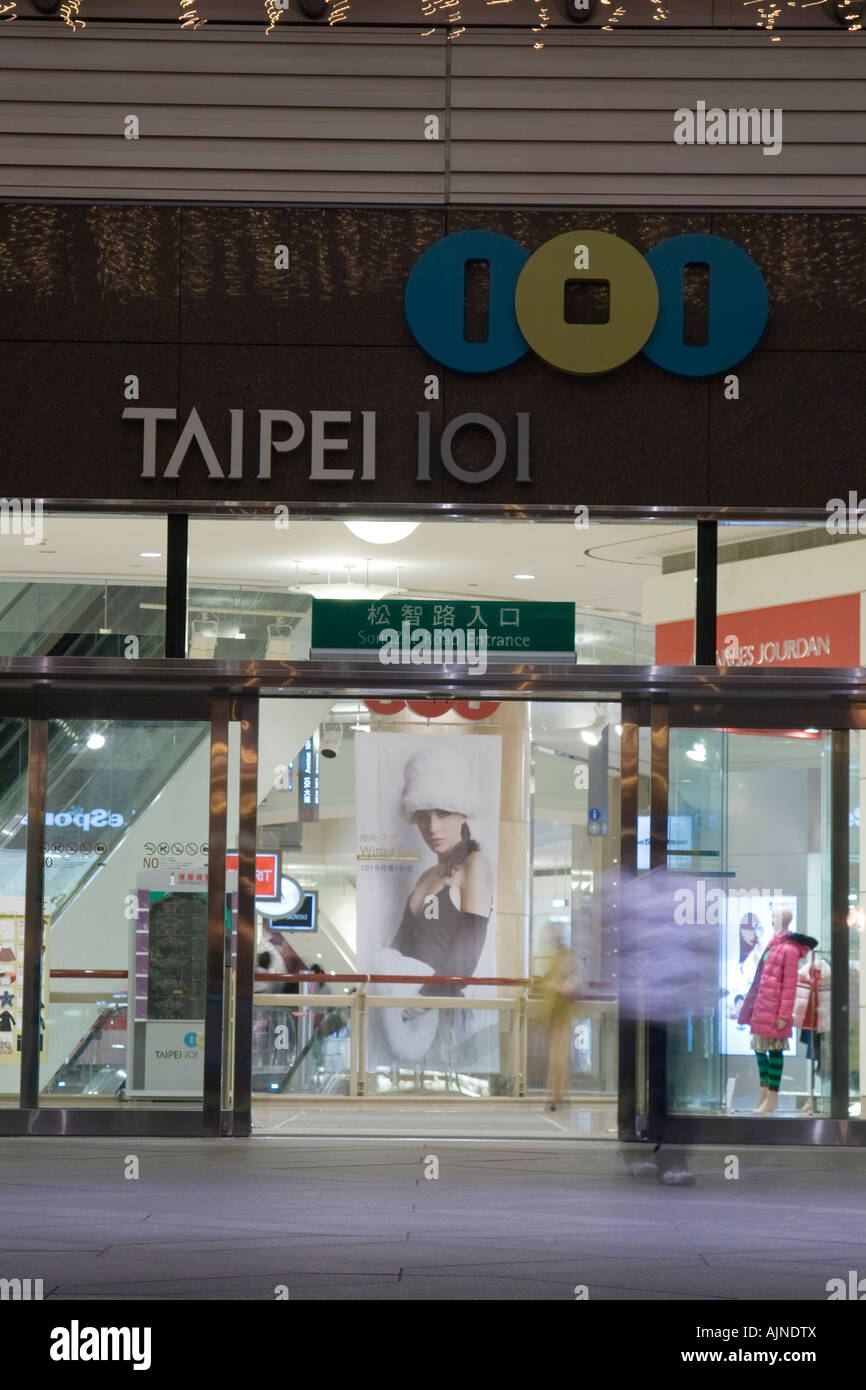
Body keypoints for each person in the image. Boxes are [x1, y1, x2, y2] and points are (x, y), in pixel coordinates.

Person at [375, 743, 494, 1063]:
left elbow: (466, 955)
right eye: (423, 816)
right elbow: (401, 946)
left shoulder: (475, 864)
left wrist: (422, 1001)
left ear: (462, 811)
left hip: (442, 1017)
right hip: (403, 1016)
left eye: (442, 813)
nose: (432, 827)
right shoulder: (427, 874)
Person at [737, 907, 817, 1113]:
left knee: (774, 1050)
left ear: (783, 919)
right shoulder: (773, 944)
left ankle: (772, 1096)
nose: (772, 920)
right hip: (762, 1007)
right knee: (760, 1049)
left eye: (775, 917)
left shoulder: (788, 950)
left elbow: (789, 985)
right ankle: (764, 1092)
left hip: (773, 1011)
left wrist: (783, 1015)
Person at [539, 930, 581, 1111]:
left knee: (558, 1057)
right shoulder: (557, 959)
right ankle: (559, 1094)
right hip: (555, 1015)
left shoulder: (568, 959)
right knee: (557, 1057)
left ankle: (555, 1095)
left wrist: (555, 985)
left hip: (562, 1016)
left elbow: (569, 988)